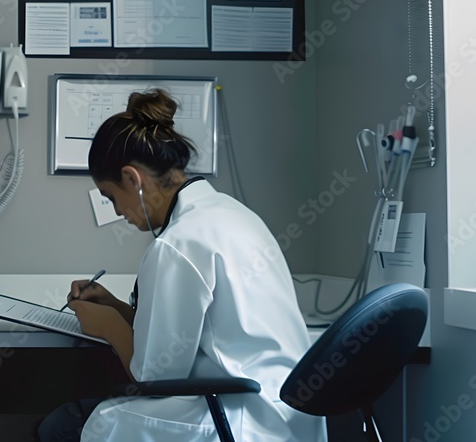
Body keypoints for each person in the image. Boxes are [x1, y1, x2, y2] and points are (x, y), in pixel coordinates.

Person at [38, 89, 327, 442]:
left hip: (237, 419)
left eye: (112, 197)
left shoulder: (177, 244)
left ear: (132, 179)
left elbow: (153, 378)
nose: (116, 212)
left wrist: (109, 325)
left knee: (64, 425)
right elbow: (189, 339)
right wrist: (114, 306)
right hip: (283, 416)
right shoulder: (232, 215)